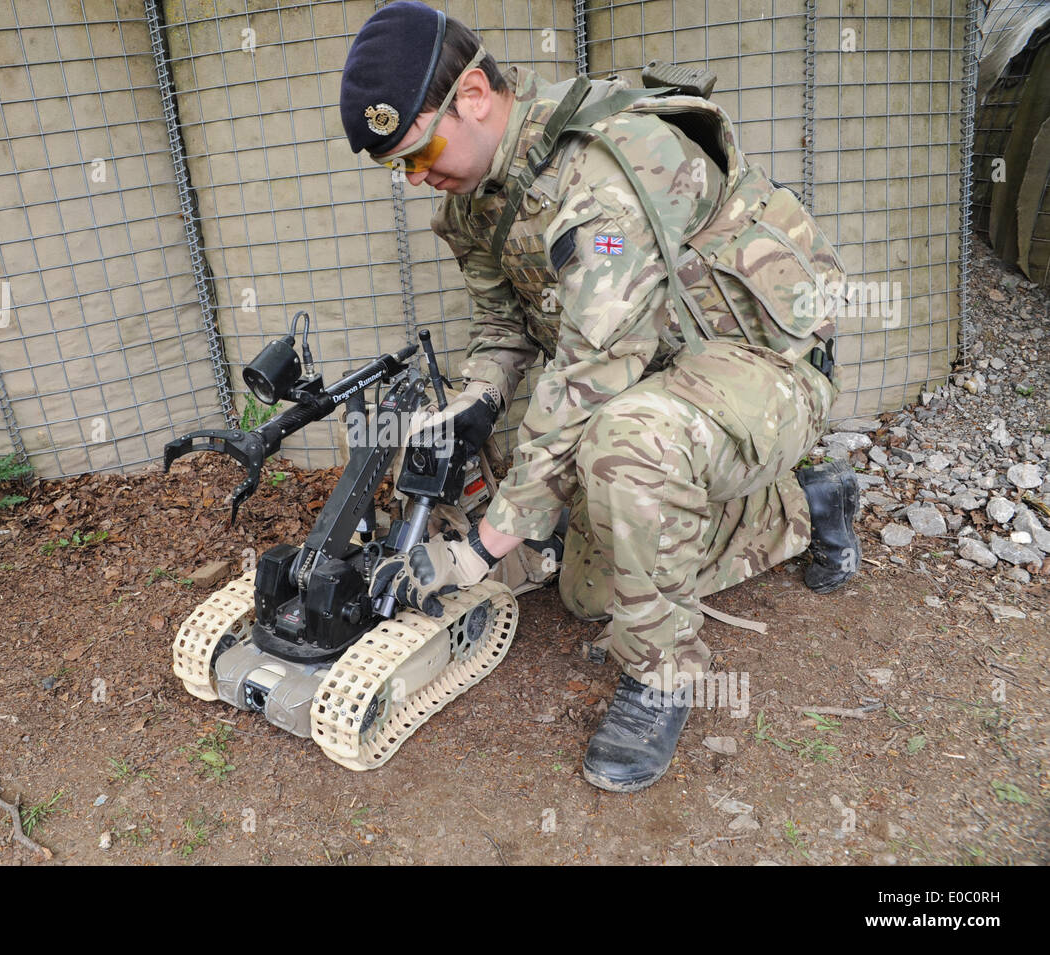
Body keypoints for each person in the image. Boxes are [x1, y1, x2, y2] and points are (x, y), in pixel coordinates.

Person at [339, 1, 860, 792]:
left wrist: (484, 546)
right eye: (397, 168)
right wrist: (478, 397)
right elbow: (500, 321)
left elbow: (594, 368)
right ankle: (802, 507)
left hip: (760, 367)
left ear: (474, 93)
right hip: (653, 373)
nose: (417, 179)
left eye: (423, 151)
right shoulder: (471, 200)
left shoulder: (609, 171)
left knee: (626, 449)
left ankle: (664, 674)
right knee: (585, 588)